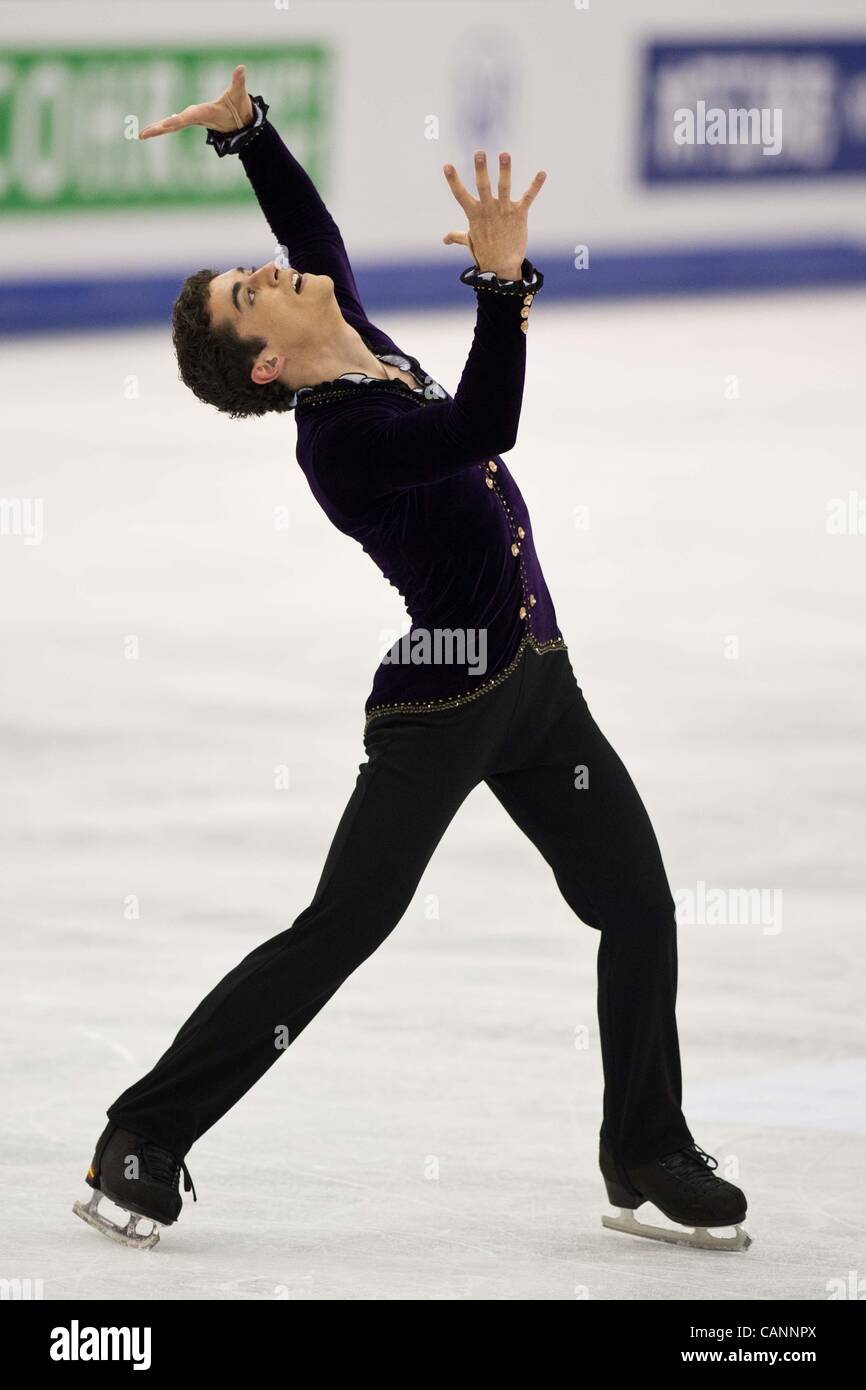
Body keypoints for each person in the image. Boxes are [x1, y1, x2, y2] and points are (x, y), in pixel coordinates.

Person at [74, 66, 749, 1253]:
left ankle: (644, 1148)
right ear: (264, 366)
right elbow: (483, 425)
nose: (272, 269)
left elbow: (311, 232)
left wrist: (249, 135)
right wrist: (498, 287)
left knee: (635, 901)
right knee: (340, 927)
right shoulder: (341, 443)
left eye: (253, 265)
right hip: (442, 705)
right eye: (251, 293)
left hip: (538, 684)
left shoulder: (355, 345)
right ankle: (144, 1135)